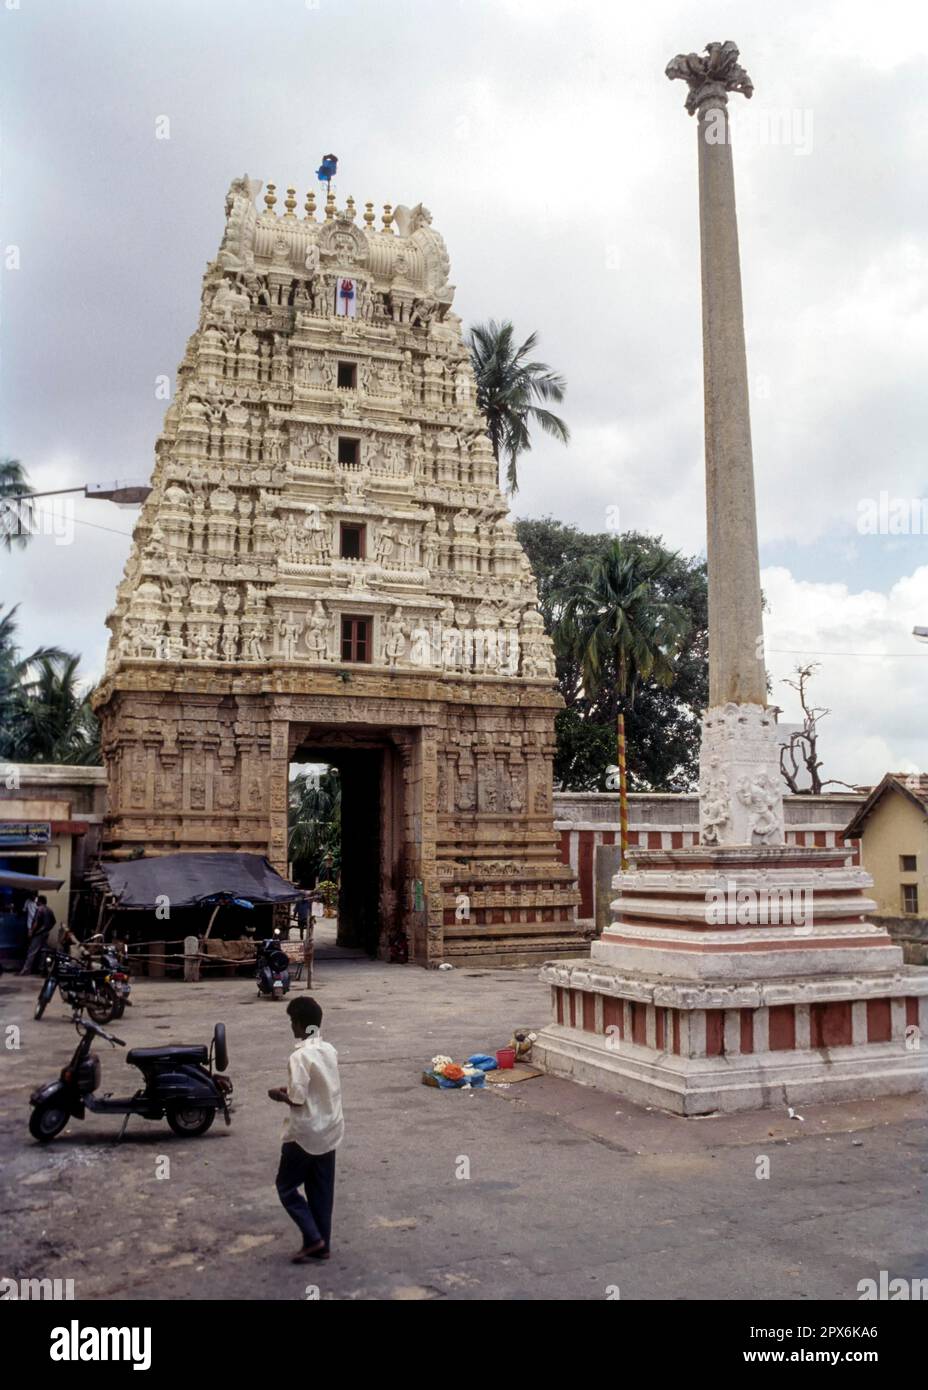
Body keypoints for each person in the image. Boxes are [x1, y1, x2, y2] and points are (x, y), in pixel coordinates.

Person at [269, 996, 344, 1263]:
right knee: (321, 1190)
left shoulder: (299, 1056)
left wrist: (279, 1095)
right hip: (331, 1128)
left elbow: (298, 1098)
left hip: (305, 1133)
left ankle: (313, 1238)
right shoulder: (329, 1050)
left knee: (286, 1187)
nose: (291, 1027)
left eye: (292, 1021)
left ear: (300, 1024)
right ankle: (322, 1244)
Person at [19, 895, 56, 975]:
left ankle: (26, 970)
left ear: (40, 901)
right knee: (43, 952)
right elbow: (53, 922)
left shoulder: (39, 909)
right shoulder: (50, 910)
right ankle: (41, 969)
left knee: (32, 951)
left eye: (37, 900)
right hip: (45, 933)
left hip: (38, 933)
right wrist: (47, 929)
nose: (36, 902)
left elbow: (36, 922)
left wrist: (32, 931)